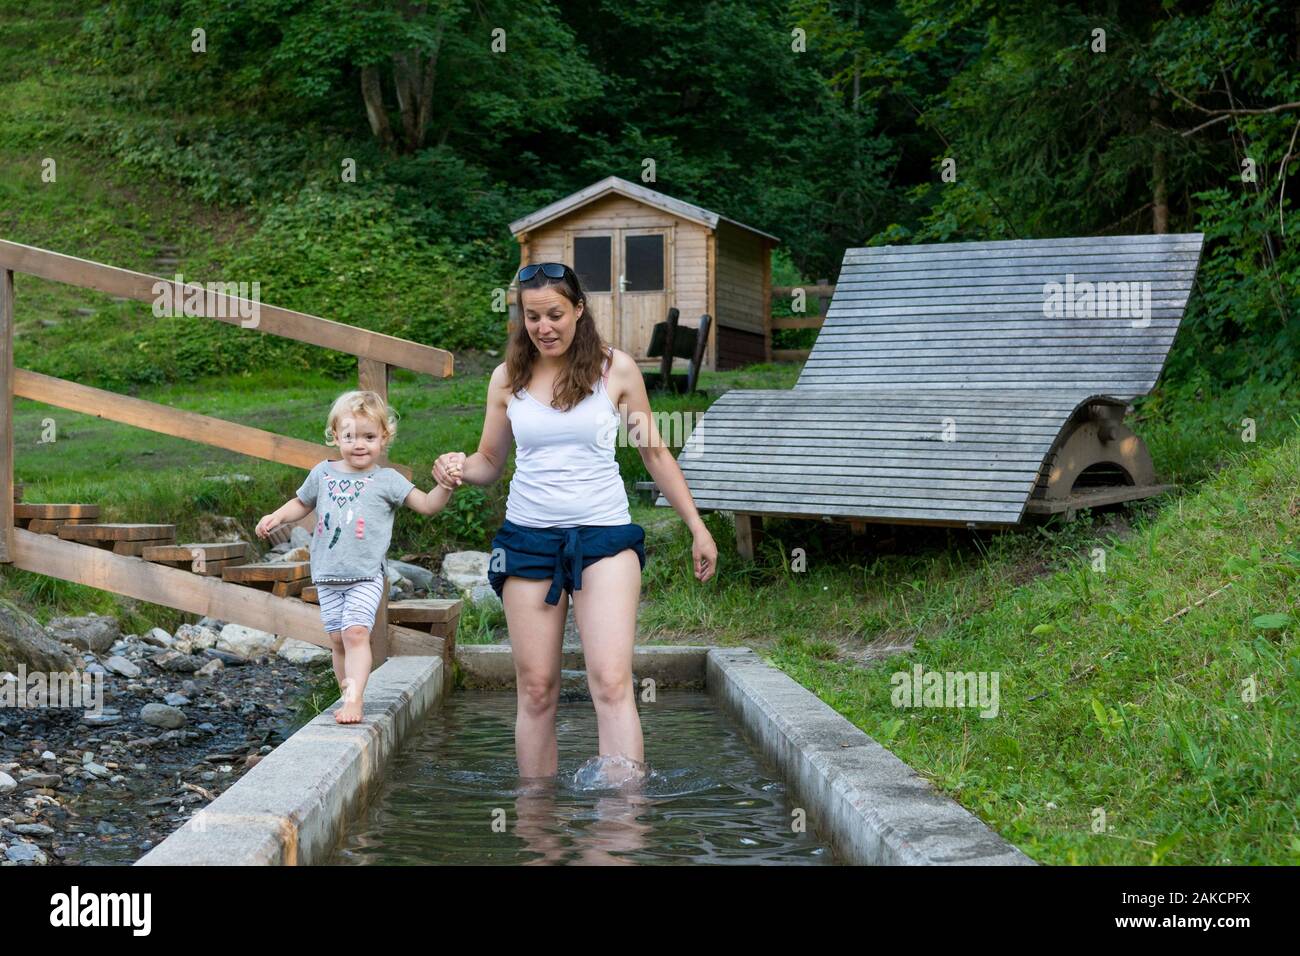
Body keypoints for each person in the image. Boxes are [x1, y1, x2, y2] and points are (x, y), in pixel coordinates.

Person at [433, 261, 717, 783]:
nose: (544, 327)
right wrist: (456, 467)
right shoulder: (508, 378)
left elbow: (653, 453)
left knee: (611, 681)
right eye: (533, 316)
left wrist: (697, 526)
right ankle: (536, 822)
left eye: (556, 314)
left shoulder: (617, 370)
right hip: (528, 542)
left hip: (604, 538)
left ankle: (621, 822)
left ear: (579, 310)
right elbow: (490, 462)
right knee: (536, 687)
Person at [256, 389, 457, 723]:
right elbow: (302, 503)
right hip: (326, 573)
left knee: (355, 633)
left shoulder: (387, 480)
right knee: (337, 640)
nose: (359, 444)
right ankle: (344, 694)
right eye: (350, 436)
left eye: (368, 436)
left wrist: (446, 487)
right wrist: (277, 516)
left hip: (365, 574)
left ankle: (355, 699)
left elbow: (427, 505)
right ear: (335, 436)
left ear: (384, 438)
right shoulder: (323, 473)